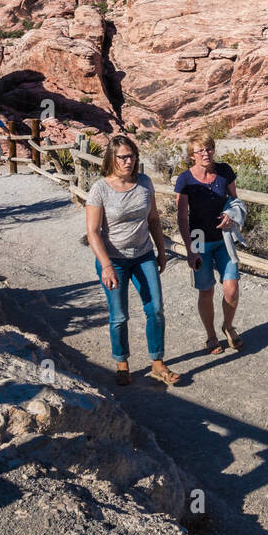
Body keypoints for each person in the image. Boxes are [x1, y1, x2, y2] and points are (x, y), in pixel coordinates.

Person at [86, 135, 179, 386]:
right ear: (112, 159)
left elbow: (154, 220)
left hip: (143, 255)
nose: (128, 161)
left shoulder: (145, 183)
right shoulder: (100, 189)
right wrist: (105, 265)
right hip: (113, 259)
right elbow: (93, 232)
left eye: (132, 156)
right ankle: (122, 361)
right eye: (123, 157)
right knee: (119, 315)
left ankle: (157, 362)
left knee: (156, 308)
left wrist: (161, 251)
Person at [175, 135, 243, 354]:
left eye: (209, 149)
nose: (205, 153)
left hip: (223, 238)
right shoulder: (185, 180)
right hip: (198, 238)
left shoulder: (224, 171)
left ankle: (228, 326)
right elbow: (183, 217)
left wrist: (232, 216)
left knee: (231, 289)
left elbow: (235, 200)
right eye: (200, 150)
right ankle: (211, 335)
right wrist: (189, 250)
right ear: (192, 154)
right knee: (206, 291)